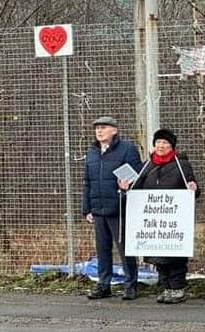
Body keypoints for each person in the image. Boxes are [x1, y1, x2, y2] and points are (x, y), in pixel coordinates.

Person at [121, 128, 199, 304]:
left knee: (175, 255)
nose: (161, 146)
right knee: (159, 255)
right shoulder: (147, 165)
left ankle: (177, 288)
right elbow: (136, 189)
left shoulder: (182, 164)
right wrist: (126, 188)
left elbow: (193, 188)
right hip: (154, 222)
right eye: (158, 142)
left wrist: (193, 189)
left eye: (165, 143)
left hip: (174, 221)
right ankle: (165, 287)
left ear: (172, 146)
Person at [82, 116, 142, 300]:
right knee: (102, 249)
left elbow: (138, 175)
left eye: (103, 127)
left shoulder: (127, 150)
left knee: (125, 249)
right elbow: (87, 182)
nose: (99, 131)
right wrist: (87, 209)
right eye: (97, 128)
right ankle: (103, 284)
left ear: (114, 130)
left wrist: (128, 185)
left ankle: (130, 284)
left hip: (120, 208)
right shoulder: (92, 153)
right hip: (98, 209)